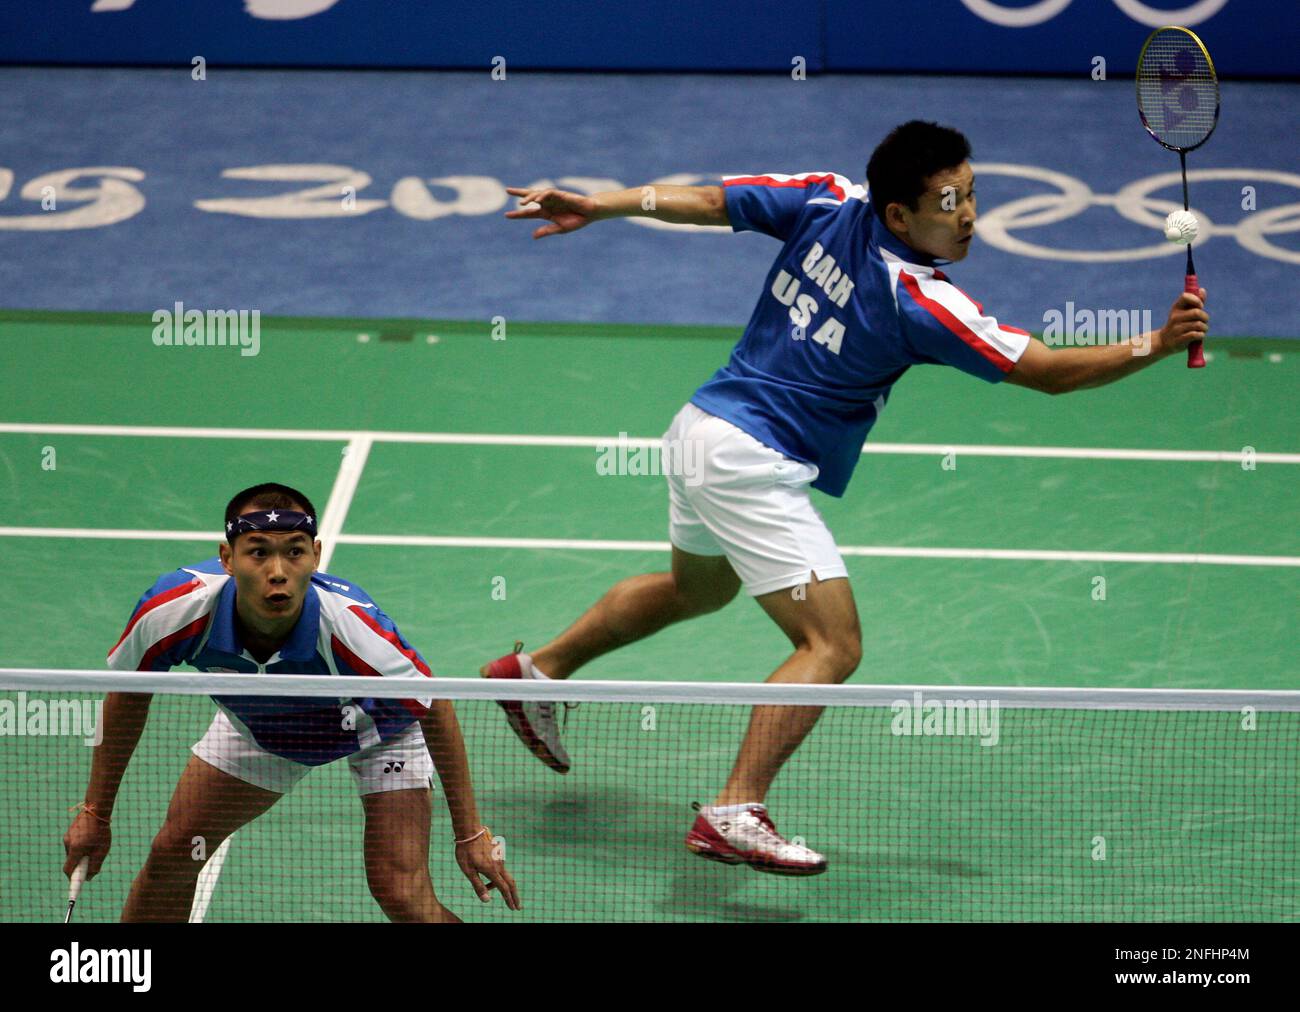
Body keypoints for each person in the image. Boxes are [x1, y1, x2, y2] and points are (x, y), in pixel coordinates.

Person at [485, 120, 1210, 876]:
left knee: (694, 591)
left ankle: (535, 671)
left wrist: (600, 205)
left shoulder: (827, 199)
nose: (968, 217)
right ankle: (736, 808)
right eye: (948, 201)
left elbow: (703, 200)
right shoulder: (924, 302)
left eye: (971, 195)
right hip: (752, 461)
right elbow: (1049, 370)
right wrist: (1152, 344)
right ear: (899, 214)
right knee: (832, 644)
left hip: (700, 429)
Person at [64, 482, 519, 921]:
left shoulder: (350, 627)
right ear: (227, 557)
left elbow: (434, 703)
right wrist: (95, 812)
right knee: (172, 856)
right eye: (258, 552)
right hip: (261, 730)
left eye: (295, 551)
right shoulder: (175, 611)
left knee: (401, 893)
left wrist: (470, 833)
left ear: (315, 556)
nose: (278, 571)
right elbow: (129, 694)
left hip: (377, 727)